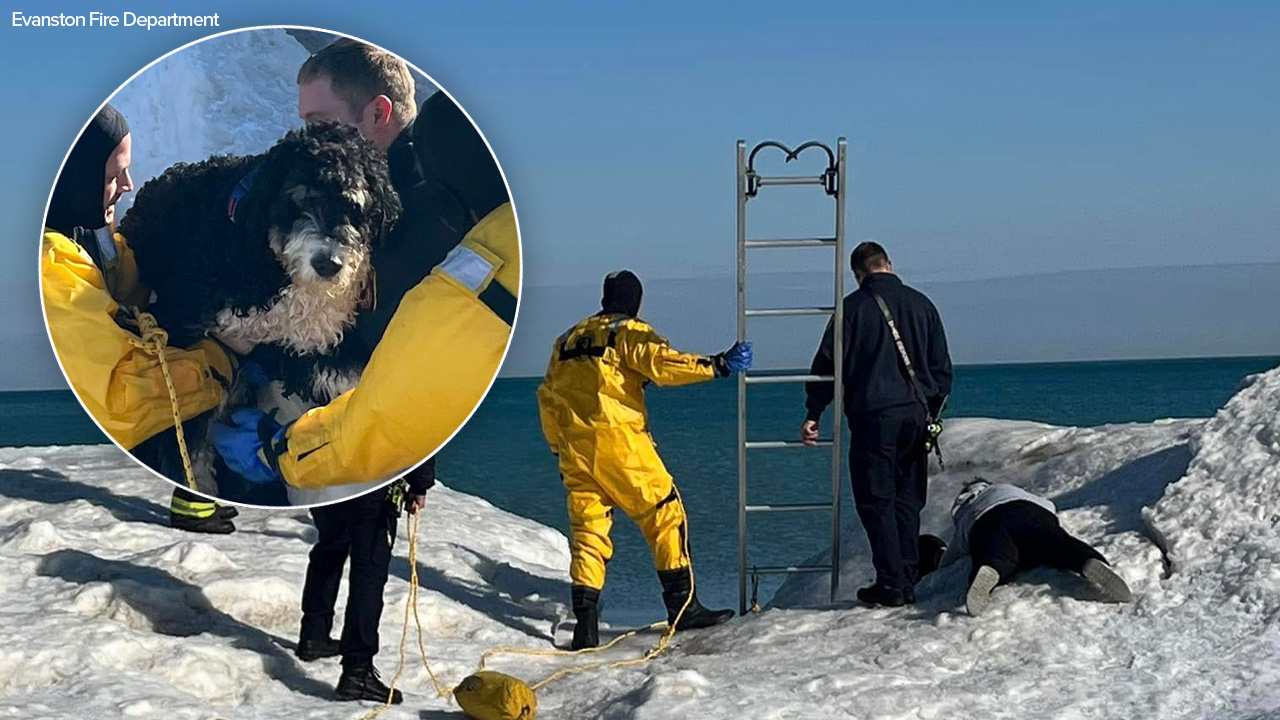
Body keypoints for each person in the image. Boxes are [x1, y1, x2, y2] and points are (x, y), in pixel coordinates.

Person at [207, 38, 515, 703]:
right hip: (352, 421)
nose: (309, 141)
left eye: (320, 124)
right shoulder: (372, 199)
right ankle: (355, 669)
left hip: (350, 420)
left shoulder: (425, 211)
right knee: (365, 548)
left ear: (378, 114)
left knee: (339, 539)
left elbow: (423, 349)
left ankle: (321, 638)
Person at [39, 103, 240, 534]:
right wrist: (219, 356)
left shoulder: (88, 233)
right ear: (73, 177)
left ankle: (200, 498)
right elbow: (124, 397)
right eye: (113, 176)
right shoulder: (51, 265)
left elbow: (130, 286)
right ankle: (193, 504)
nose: (127, 186)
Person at [536, 270, 752, 650]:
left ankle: (585, 627)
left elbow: (547, 398)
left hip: (575, 449)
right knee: (665, 513)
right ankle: (683, 608)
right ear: (634, 300)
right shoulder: (628, 332)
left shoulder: (566, 340)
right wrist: (716, 365)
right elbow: (662, 364)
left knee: (588, 532)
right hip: (620, 443)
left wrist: (559, 447)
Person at [801, 241, 952, 607]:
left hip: (873, 414)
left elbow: (827, 368)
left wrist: (813, 413)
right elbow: (942, 371)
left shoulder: (850, 310)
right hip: (916, 414)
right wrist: (930, 408)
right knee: (908, 498)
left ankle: (891, 581)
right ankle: (907, 576)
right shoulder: (923, 305)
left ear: (858, 274)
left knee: (875, 499)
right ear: (889, 264)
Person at [942, 479, 1133, 616]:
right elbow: (1047, 505)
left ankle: (990, 569)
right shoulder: (1007, 488)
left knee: (997, 554)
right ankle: (1087, 561)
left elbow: (955, 551)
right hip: (1029, 510)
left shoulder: (967, 512)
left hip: (986, 522)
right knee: (1058, 544)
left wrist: (941, 568)